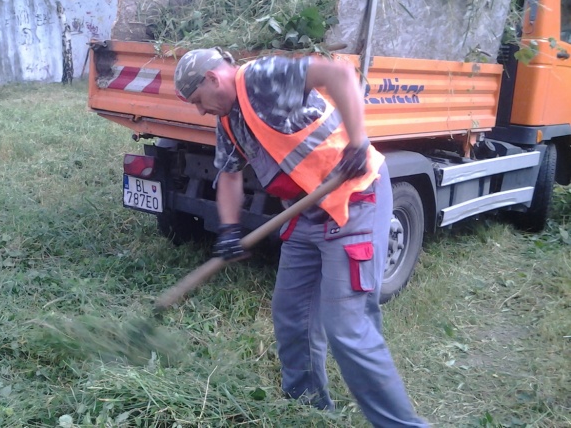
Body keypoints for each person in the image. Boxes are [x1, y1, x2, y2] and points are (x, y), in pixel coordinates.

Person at [173, 47, 427, 427]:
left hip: (353, 199)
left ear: (212, 79)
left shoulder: (260, 76)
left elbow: (338, 75)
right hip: (306, 214)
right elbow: (229, 175)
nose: (199, 110)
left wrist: (358, 140)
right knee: (292, 314)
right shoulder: (227, 120)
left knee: (347, 327)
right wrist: (228, 229)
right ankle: (307, 407)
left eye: (197, 100)